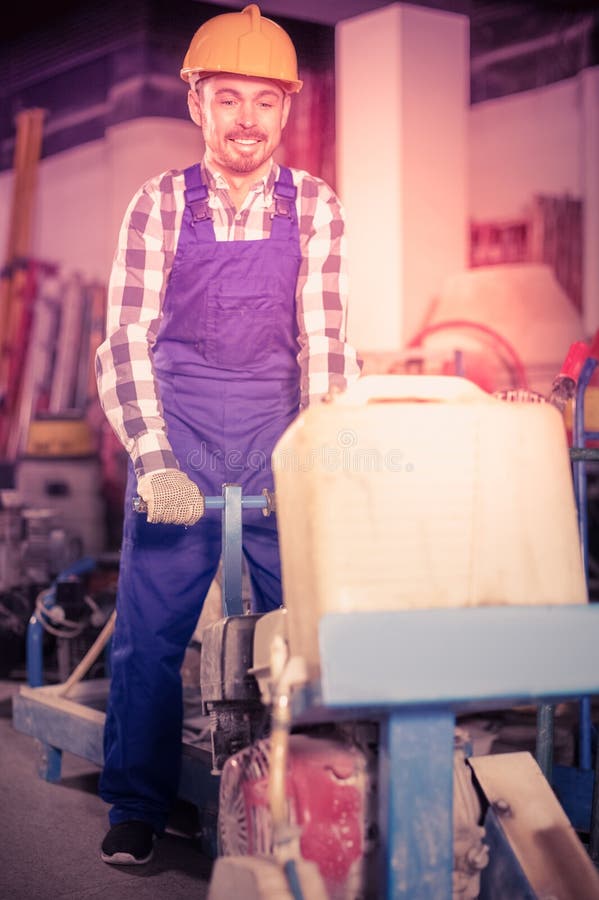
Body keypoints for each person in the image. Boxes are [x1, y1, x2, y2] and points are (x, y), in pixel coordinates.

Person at [95, 2, 362, 866]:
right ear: (197, 105)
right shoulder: (159, 206)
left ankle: (308, 801)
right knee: (149, 635)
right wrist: (154, 457)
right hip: (181, 441)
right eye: (227, 99)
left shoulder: (316, 206)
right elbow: (126, 339)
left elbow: (325, 342)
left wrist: (318, 460)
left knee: (303, 628)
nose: (247, 119)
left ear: (286, 109)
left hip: (279, 440)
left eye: (265, 101)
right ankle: (137, 805)